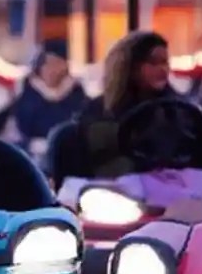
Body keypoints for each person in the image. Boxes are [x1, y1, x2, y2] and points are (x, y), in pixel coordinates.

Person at [70, 30, 182, 178]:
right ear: (130, 66)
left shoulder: (179, 110)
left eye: (165, 62)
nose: (163, 69)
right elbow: (101, 163)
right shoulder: (99, 112)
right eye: (153, 63)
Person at [8, 42, 88, 148]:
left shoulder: (77, 96)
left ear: (65, 66)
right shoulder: (28, 95)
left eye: (57, 63)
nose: (51, 70)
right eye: (47, 64)